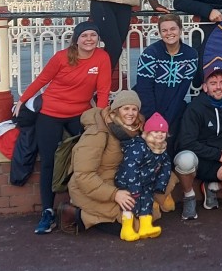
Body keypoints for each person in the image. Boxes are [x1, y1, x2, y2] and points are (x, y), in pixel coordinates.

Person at [13, 21, 112, 234]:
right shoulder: (61, 57)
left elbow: (103, 91)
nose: (89, 39)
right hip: (51, 113)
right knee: (49, 162)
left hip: (79, 113)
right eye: (84, 36)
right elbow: (42, 80)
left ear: (98, 38)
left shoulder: (102, 57)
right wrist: (22, 100)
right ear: (76, 39)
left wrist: (98, 117)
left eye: (93, 35)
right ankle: (47, 212)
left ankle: (82, 206)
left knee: (86, 159)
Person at [63, 88, 174, 233]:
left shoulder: (138, 129)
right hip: (93, 186)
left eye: (134, 109)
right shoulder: (97, 133)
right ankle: (75, 215)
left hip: (124, 180)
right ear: (115, 110)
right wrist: (114, 194)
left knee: (149, 211)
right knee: (133, 224)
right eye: (125, 108)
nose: (130, 113)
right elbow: (83, 175)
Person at [173, 67, 222, 215]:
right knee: (185, 160)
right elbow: (186, 142)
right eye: (213, 83)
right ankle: (189, 196)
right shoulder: (195, 108)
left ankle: (211, 187)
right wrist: (216, 154)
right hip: (198, 159)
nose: (218, 87)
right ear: (205, 87)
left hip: (221, 162)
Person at [134, 12, 198, 151]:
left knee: (169, 144)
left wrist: (168, 117)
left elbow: (182, 90)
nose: (169, 33)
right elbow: (144, 89)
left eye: (173, 29)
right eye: (164, 30)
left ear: (180, 30)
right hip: (149, 106)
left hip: (173, 106)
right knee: (149, 145)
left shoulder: (191, 55)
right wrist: (153, 117)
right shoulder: (150, 54)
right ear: (160, 33)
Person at [115, 113, 174, 241]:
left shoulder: (162, 147)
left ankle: (145, 226)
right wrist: (134, 187)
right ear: (147, 133)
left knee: (147, 202)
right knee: (129, 204)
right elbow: (130, 167)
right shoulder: (139, 146)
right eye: (155, 131)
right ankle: (126, 229)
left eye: (163, 132)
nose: (159, 134)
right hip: (128, 181)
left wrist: (160, 185)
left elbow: (166, 166)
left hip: (147, 182)